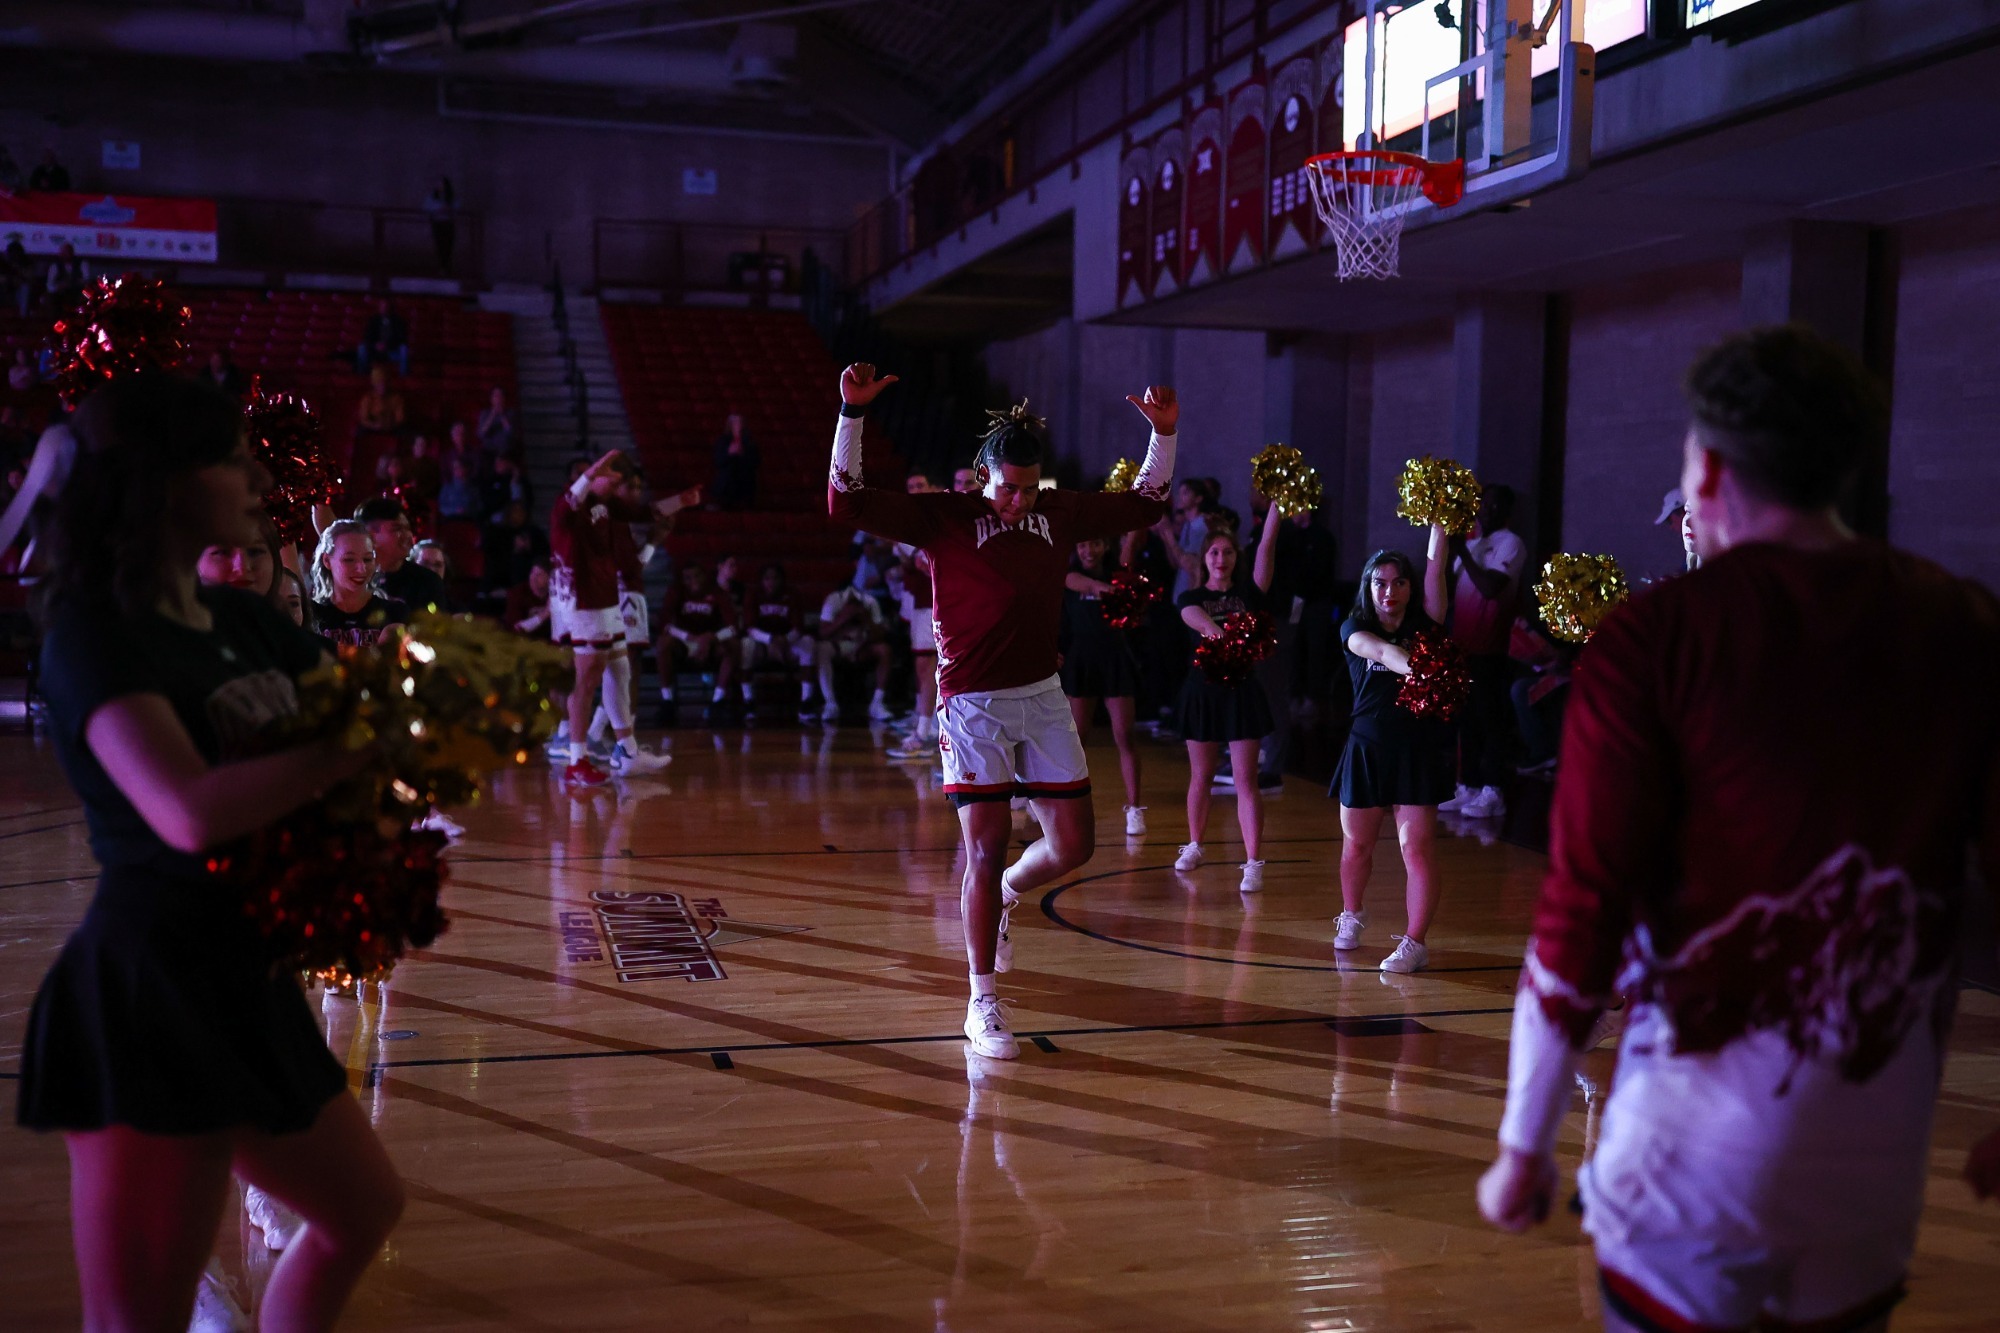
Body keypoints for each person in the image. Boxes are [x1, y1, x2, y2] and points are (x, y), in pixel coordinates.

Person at [1479, 326, 2000, 1324]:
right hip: (1870, 1176)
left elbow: (1582, 904)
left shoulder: (1654, 636)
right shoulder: (1965, 624)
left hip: (1684, 1178)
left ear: (1707, 469)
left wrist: (1520, 1143)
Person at [17, 375, 403, 1332]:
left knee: (363, 1211)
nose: (256, 474)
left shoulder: (243, 620)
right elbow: (185, 811)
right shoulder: (94, 639)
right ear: (164, 483)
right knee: (136, 1320)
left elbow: (360, 708)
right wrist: (351, 746)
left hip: (250, 977)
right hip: (151, 996)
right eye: (231, 457)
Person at [829, 363, 1177, 1060]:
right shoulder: (946, 518)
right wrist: (852, 414)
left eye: (1028, 487)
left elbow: (1146, 503)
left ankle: (1011, 892)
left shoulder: (1060, 510)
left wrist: (1164, 434)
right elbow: (847, 503)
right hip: (972, 705)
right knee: (982, 848)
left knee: (1074, 845)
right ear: (981, 476)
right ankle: (981, 999)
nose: (1017, 501)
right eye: (1006, 489)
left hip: (1043, 695)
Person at [1331, 527, 1455, 974]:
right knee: (1357, 847)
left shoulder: (1428, 623)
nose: (1389, 590)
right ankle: (1352, 911)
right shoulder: (1354, 627)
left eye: (1399, 581)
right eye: (1379, 582)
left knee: (1416, 849)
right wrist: (1418, 669)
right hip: (1367, 747)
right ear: (1368, 586)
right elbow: (1380, 652)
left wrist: (1440, 518)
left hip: (1417, 750)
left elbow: (1438, 565)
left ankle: (1414, 942)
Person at [548, 449, 675, 783]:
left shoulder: (607, 505)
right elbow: (568, 506)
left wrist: (682, 501)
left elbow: (645, 512)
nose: (619, 484)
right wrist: (591, 473)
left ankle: (628, 751)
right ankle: (577, 758)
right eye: (614, 477)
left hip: (607, 599)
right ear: (597, 475)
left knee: (620, 669)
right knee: (586, 678)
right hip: (585, 602)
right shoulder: (571, 503)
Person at [1173, 516, 1283, 891]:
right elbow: (1195, 619)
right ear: (1205, 558)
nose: (1222, 558)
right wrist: (1222, 633)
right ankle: (1195, 845)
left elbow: (1267, 546)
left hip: (1241, 692)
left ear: (1237, 556)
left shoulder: (1250, 594)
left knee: (1245, 781)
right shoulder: (1190, 597)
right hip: (1203, 693)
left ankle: (1253, 862)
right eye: (1215, 552)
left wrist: (1277, 506)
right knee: (1200, 775)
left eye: (1229, 551)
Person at [1438, 485, 1527, 821]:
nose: (1486, 511)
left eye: (1494, 506)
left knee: (1492, 720)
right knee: (1467, 719)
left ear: (1506, 511)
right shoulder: (1473, 543)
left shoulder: (1510, 543)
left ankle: (1494, 791)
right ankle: (1469, 787)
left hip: (1491, 646)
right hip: (1463, 644)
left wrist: (1462, 552)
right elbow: (1452, 590)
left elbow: (1491, 589)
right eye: (1483, 505)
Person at [1059, 536, 1148, 836]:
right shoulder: (1069, 576)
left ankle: (1135, 809)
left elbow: (1130, 566)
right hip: (1081, 661)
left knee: (1125, 735)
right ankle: (1068, 807)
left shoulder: (1119, 575)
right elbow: (1075, 582)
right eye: (1082, 544)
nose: (1088, 550)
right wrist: (1104, 589)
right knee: (1076, 740)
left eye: (1095, 544)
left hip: (1115, 660)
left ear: (1105, 546)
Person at [887, 474, 942, 761]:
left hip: (935, 603)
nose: (916, 491)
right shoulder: (910, 520)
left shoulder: (932, 519)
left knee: (931, 668)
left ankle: (927, 731)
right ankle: (926, 727)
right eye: (911, 487)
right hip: (921, 602)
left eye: (922, 485)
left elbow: (927, 564)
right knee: (925, 668)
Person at [658, 561, 739, 721]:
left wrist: (711, 638)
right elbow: (663, 625)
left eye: (697, 576)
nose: (693, 580)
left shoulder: (717, 592)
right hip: (684, 641)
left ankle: (718, 701)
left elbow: (733, 626)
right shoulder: (676, 592)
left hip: (712, 642)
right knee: (663, 644)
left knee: (734, 645)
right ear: (682, 580)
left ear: (705, 576)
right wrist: (691, 637)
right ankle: (667, 700)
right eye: (688, 577)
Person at [309, 519, 407, 648]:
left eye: (367, 559)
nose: (361, 569)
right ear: (327, 560)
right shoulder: (312, 613)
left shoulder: (394, 612)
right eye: (349, 560)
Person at [811, 572, 890, 724]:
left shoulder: (870, 602)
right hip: (840, 645)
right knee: (822, 649)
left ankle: (877, 703)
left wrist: (865, 618)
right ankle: (830, 703)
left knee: (884, 650)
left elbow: (880, 635)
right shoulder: (833, 601)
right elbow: (823, 632)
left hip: (864, 644)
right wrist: (843, 618)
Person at [353, 496, 445, 613]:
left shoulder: (427, 582)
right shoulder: (354, 577)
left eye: (408, 528)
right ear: (370, 536)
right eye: (397, 529)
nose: (408, 535)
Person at [740, 563, 810, 713]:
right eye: (767, 578)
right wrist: (770, 639)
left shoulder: (792, 594)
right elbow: (749, 627)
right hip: (762, 643)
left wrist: (785, 640)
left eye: (775, 578)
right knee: (746, 644)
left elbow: (799, 626)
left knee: (808, 643)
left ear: (782, 580)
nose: (771, 582)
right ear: (761, 580)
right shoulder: (753, 594)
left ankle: (806, 701)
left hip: (787, 642)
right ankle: (748, 700)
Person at [711, 412, 760, 511]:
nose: (738, 425)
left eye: (740, 423)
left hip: (745, 482)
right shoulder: (723, 441)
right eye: (735, 423)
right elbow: (718, 462)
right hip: (727, 483)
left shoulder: (749, 442)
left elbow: (756, 462)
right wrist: (729, 453)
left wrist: (742, 453)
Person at [358, 298, 409, 376]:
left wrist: (387, 345)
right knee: (361, 348)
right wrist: (376, 345)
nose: (384, 309)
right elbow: (367, 336)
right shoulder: (373, 320)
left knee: (404, 349)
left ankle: (403, 375)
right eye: (382, 306)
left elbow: (401, 338)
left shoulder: (398, 321)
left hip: (392, 350)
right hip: (375, 351)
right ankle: (362, 374)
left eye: (386, 307)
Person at [506, 562, 553, 640]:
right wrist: (544, 614)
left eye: (539, 575)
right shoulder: (518, 593)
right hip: (523, 642)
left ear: (550, 579)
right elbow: (515, 629)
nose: (533, 578)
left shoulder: (557, 595)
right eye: (532, 573)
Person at [355, 365, 405, 436]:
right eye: (379, 384)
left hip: (390, 427)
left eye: (384, 383)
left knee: (403, 431)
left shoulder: (396, 398)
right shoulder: (367, 398)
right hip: (373, 427)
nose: (382, 386)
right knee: (359, 432)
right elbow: (363, 419)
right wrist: (374, 425)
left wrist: (389, 424)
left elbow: (400, 418)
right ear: (374, 384)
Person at [425, 176, 455, 273]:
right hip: (438, 224)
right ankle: (441, 267)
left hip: (448, 224)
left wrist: (448, 209)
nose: (439, 186)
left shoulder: (451, 197)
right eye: (438, 184)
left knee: (448, 245)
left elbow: (457, 206)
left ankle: (446, 266)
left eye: (441, 184)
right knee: (439, 245)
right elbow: (426, 206)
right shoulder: (432, 196)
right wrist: (438, 210)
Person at [45, 242, 85, 311]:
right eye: (63, 252)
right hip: (59, 293)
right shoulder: (55, 266)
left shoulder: (82, 263)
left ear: (72, 252)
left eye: (67, 252)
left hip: (76, 291)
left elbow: (86, 280)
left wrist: (75, 283)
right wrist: (57, 287)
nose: (65, 254)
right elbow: (49, 284)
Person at [477, 388, 515, 457]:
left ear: (504, 399)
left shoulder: (510, 413)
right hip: (488, 451)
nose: (498, 399)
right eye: (496, 396)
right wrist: (492, 416)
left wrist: (502, 415)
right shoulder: (485, 413)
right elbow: (481, 434)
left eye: (500, 396)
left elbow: (511, 433)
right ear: (491, 399)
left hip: (505, 451)